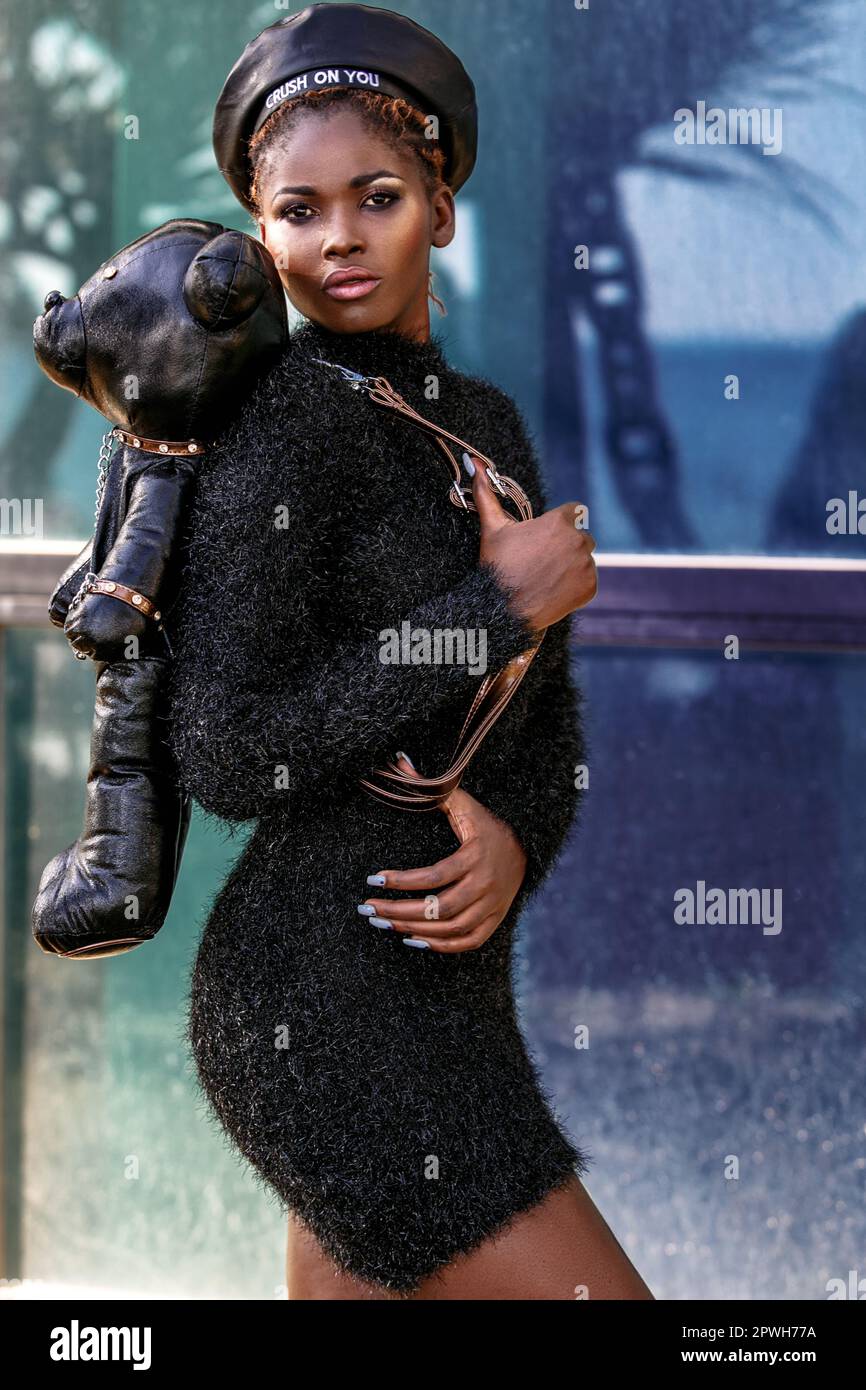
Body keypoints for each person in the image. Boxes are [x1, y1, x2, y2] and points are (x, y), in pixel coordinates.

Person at [167, 4, 653, 1299]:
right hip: (322, 998)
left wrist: (512, 836)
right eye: (298, 209)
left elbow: (541, 732)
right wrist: (491, 610)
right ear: (260, 230)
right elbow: (230, 748)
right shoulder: (279, 428)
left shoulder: (481, 422)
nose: (335, 240)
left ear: (438, 206)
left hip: (449, 993)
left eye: (373, 197)